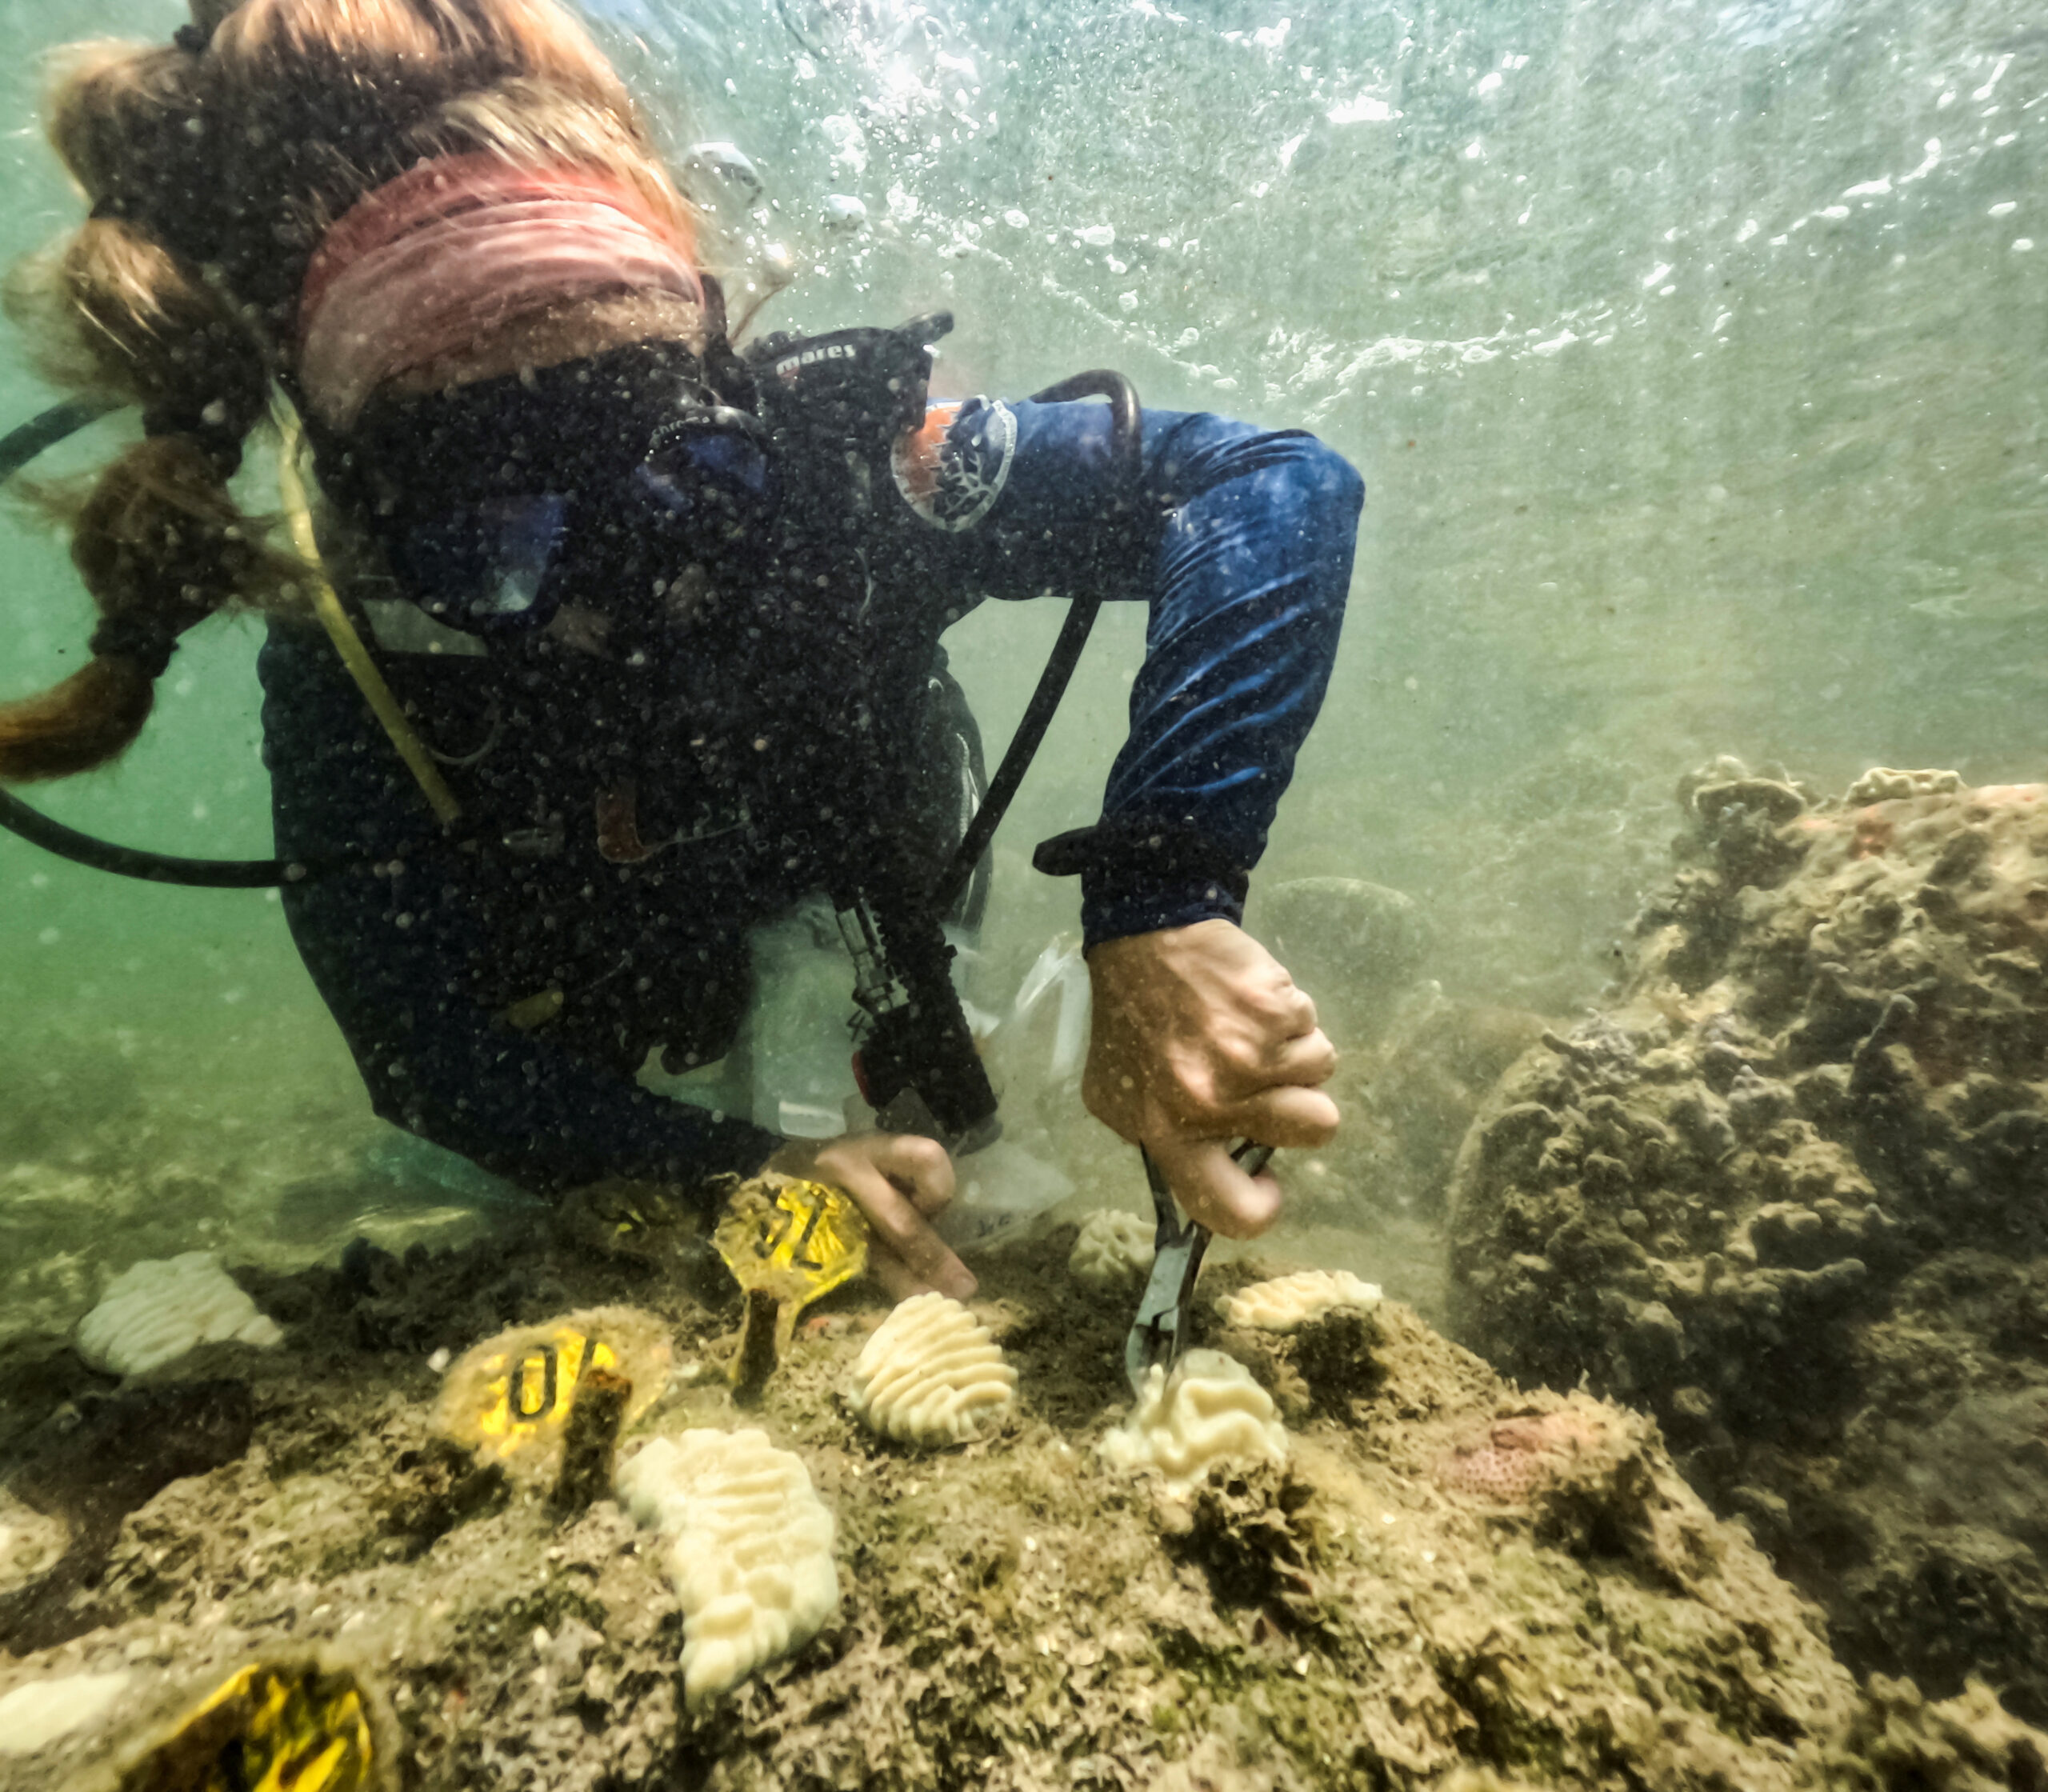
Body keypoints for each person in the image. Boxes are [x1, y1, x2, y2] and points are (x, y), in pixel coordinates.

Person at [0, 0, 1362, 1302]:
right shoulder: (357, 646)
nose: (619, 572)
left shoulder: (839, 472)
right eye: (499, 515)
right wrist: (733, 1170)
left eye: (671, 457)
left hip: (847, 868)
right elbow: (424, 1055)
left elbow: (1267, 484)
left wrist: (1163, 893)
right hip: (589, 998)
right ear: (369, 503)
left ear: (725, 375)